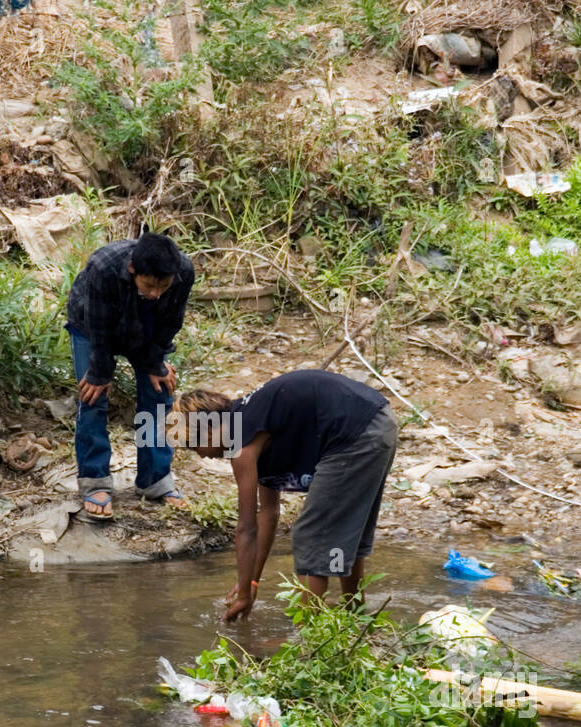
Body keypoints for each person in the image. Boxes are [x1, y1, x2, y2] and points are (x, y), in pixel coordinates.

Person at [171, 369, 398, 621]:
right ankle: (354, 617)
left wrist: (244, 593)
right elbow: (268, 514)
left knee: (311, 534)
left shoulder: (241, 443)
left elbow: (246, 528)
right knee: (347, 532)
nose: (200, 454)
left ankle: (310, 636)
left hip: (355, 432)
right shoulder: (254, 424)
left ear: (210, 426)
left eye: (195, 444)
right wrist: (252, 583)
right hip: (378, 422)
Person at [65, 231, 195, 520]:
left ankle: (155, 480)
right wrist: (100, 373)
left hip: (145, 328)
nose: (155, 293)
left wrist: (155, 362)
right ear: (133, 270)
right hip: (91, 324)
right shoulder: (103, 266)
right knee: (93, 395)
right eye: (149, 285)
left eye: (163, 286)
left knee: (159, 392)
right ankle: (95, 482)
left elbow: (171, 322)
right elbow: (99, 331)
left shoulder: (183, 270)